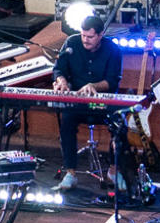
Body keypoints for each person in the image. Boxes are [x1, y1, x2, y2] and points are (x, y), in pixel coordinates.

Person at [49, 20, 121, 176]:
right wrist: (61, 81)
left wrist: (94, 86)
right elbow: (58, 69)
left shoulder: (112, 49)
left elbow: (112, 81)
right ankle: (70, 173)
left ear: (100, 35)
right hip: (77, 103)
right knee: (67, 121)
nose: (85, 40)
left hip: (103, 104)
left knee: (120, 125)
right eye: (83, 35)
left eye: (90, 37)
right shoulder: (71, 43)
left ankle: (113, 171)